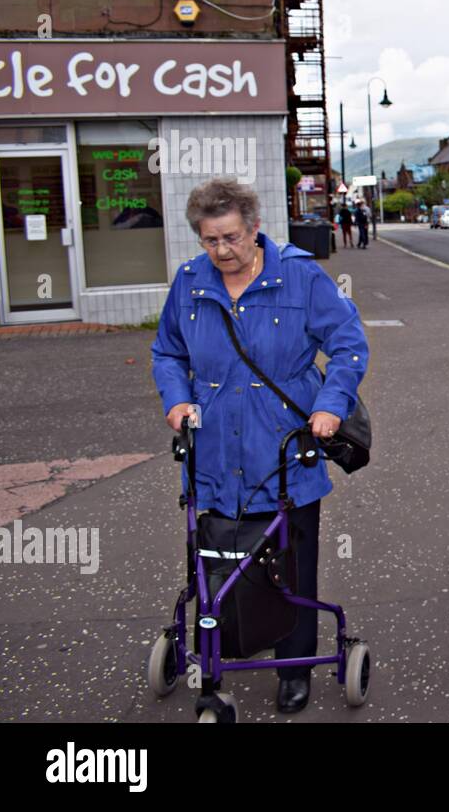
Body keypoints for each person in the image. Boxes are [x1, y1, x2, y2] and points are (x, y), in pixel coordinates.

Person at [152, 178, 369, 714]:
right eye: (209, 241)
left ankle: (294, 666)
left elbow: (348, 344)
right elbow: (166, 352)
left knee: (290, 563)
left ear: (254, 228)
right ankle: (222, 650)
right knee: (217, 554)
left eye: (230, 237)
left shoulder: (300, 275)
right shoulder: (189, 282)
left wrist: (331, 405)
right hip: (213, 454)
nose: (221, 251)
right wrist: (176, 399)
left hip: (286, 450)